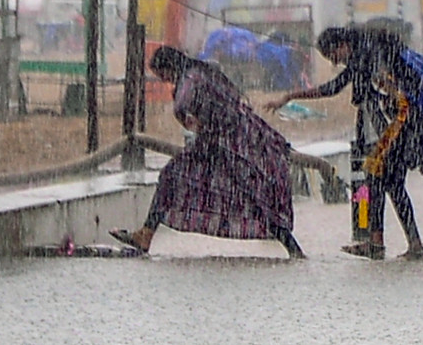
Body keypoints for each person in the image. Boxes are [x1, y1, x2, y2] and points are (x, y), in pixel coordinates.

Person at [108, 46, 304, 259]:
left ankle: (146, 234)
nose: (165, 80)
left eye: (162, 74)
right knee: (249, 193)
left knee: (180, 178)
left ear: (168, 67)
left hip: (229, 143)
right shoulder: (200, 72)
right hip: (227, 140)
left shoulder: (191, 77)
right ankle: (292, 249)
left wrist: (182, 115)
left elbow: (183, 102)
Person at [265, 26, 423, 261]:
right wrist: (291, 97)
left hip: (389, 131)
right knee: (378, 185)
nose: (336, 62)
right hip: (384, 129)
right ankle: (385, 243)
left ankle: (396, 244)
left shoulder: (365, 57)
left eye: (333, 56)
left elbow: (336, 87)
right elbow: (337, 87)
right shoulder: (367, 55)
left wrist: (290, 96)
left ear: (343, 44)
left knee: (386, 184)